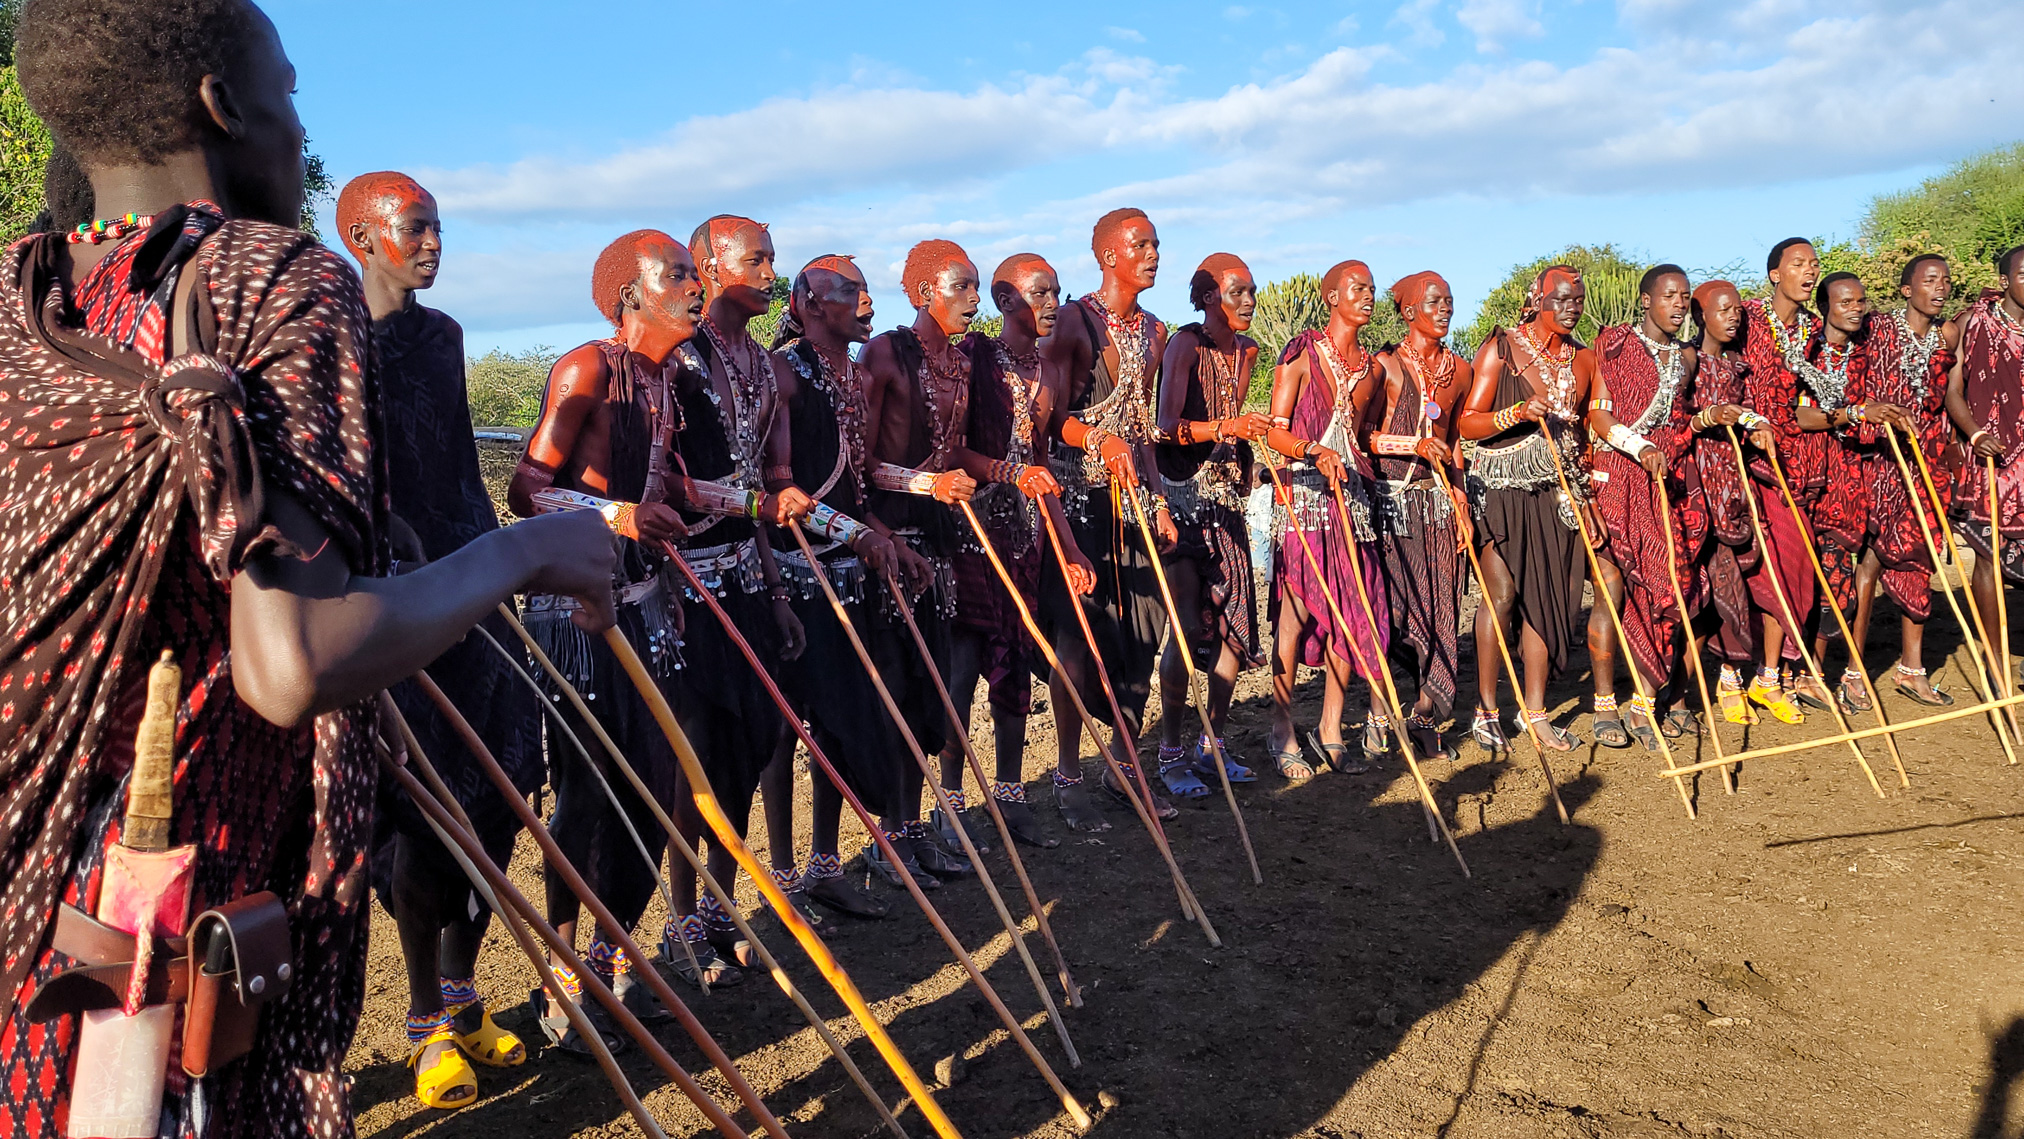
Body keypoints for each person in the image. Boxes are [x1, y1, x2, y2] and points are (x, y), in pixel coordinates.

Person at [2, 2, 614, 1133]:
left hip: (26, 896)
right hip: (179, 911)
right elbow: (292, 660)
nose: (296, 126)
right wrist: (529, 547)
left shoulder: (19, 295)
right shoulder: (264, 280)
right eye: (288, 92)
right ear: (223, 107)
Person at [339, 171, 538, 1106]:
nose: (431, 243)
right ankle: (422, 1024)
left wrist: (493, 557)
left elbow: (458, 457)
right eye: (413, 229)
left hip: (468, 584)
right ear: (362, 237)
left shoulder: (445, 336)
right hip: (389, 598)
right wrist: (384, 543)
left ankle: (465, 995)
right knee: (419, 808)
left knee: (502, 791)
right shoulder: (335, 337)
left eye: (436, 228)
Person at [508, 230, 732, 1033]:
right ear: (629, 295)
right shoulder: (587, 368)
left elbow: (665, 481)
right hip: (572, 612)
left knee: (652, 791)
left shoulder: (668, 381)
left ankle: (610, 960)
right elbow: (526, 487)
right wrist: (622, 514)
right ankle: (564, 984)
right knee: (589, 793)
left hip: (643, 604)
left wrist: (736, 500)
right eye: (678, 275)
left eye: (696, 274)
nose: (695, 286)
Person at [665, 214, 812, 959]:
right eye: (755, 260)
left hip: (750, 578)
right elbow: (661, 479)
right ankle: (685, 915)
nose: (768, 274)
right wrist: (748, 505)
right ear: (708, 266)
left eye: (772, 260)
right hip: (682, 580)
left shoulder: (766, 368)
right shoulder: (673, 359)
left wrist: (780, 591)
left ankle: (725, 903)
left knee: (749, 744)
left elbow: (768, 484)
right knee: (694, 748)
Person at [764, 254, 904, 918]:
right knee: (787, 726)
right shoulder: (785, 372)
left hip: (849, 569)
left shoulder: (855, 373)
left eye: (864, 287)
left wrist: (885, 533)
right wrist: (856, 533)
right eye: (849, 290)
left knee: (836, 724)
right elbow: (778, 485)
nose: (865, 298)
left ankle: (826, 861)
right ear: (810, 304)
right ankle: (786, 874)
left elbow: (863, 476)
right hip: (793, 566)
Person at [940, 253, 1095, 851]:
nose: (1052, 304)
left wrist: (1071, 547)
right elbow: (950, 448)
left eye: (1056, 292)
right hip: (969, 529)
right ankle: (950, 803)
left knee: (1013, 665)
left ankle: (1009, 792)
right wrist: (1004, 472)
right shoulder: (972, 359)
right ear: (1006, 303)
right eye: (1038, 294)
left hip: (1027, 533)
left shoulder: (1049, 374)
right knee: (960, 669)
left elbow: (1044, 464)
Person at [1040, 208, 1176, 830]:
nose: (1152, 254)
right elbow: (1052, 418)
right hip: (1078, 500)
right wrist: (1098, 438)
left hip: (1133, 501)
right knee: (1079, 639)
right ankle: (1068, 775)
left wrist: (1159, 498)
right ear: (1107, 255)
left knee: (1145, 632)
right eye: (1139, 244)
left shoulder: (1155, 329)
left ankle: (1123, 766)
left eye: (1156, 244)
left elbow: (1144, 429)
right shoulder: (1074, 321)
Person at [857, 238, 982, 885]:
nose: (973, 299)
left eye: (976, 288)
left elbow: (954, 453)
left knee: (931, 687)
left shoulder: (959, 364)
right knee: (895, 691)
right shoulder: (886, 353)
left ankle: (913, 830)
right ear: (921, 292)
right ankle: (886, 840)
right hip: (883, 537)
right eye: (960, 286)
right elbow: (859, 468)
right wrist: (924, 486)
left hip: (936, 540)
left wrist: (1010, 473)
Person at [1457, 265, 1596, 752]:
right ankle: (1486, 710)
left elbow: (1582, 432)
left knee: (1547, 596)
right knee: (1502, 595)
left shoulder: (1583, 359)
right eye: (1560, 298)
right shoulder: (1502, 349)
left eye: (1578, 298)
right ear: (1537, 299)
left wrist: (1585, 497)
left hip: (1554, 493)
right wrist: (1514, 413)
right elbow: (1468, 424)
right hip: (1498, 489)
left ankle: (1533, 713)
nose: (1571, 306)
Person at [1261, 259, 1392, 772]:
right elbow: (1273, 431)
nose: (1366, 296)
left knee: (1355, 612)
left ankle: (1330, 726)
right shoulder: (1301, 353)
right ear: (1331, 296)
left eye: (1371, 288)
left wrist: (1417, 444)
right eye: (1356, 288)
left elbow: (1366, 440)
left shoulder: (1373, 370)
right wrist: (1312, 451)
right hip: (1303, 501)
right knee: (1293, 616)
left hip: (1351, 502)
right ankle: (1280, 724)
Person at [1154, 254, 1271, 783]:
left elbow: (1237, 428)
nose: (1248, 302)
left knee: (1233, 628)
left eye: (1251, 292)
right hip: (1181, 500)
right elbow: (1165, 427)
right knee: (1182, 627)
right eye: (1237, 292)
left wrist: (1253, 442)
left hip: (1227, 502)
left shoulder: (1247, 351)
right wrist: (1229, 426)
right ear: (1207, 299)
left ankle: (1213, 742)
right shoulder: (1186, 344)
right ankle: (1170, 751)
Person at [1583, 265, 1699, 749]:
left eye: (1685, 297)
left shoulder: (1685, 359)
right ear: (1646, 300)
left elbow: (1684, 418)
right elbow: (1597, 410)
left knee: (1662, 586)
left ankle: (1644, 702)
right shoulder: (1613, 343)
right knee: (1612, 589)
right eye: (1669, 296)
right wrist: (1636, 444)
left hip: (1661, 483)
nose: (1678, 304)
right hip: (1615, 479)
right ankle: (1605, 703)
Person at [1800, 271, 1926, 708]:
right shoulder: (1807, 351)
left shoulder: (1869, 351)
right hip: (1819, 475)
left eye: (1860, 301)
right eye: (1845, 302)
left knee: (1858, 574)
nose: (1855, 309)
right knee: (1828, 576)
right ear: (1825, 306)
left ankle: (1853, 672)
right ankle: (1811, 673)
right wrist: (1855, 414)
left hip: (1865, 472)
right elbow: (1800, 416)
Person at [1367, 271, 1473, 765]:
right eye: (1434, 302)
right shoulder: (1384, 366)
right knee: (1393, 610)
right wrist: (1412, 444)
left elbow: (1453, 446)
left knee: (1443, 610)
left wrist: (1462, 503)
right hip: (1393, 504)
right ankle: (1378, 714)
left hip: (1438, 505)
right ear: (1409, 312)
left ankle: (1426, 714)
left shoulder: (1462, 371)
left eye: (1449, 301)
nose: (1445, 309)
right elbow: (1365, 436)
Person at [1733, 238, 1830, 722]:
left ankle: (1770, 677)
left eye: (1814, 265)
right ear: (1775, 274)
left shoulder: (1813, 330)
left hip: (1796, 464)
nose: (1809, 272)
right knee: (1757, 572)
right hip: (1743, 462)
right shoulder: (1744, 318)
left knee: (1794, 566)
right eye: (1798, 264)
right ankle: (1742, 675)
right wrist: (1748, 423)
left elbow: (1810, 403)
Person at [1684, 280, 1781, 724]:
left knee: (1739, 581)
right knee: (1710, 586)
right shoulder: (1687, 361)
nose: (1734, 317)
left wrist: (1756, 424)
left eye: (1738, 309)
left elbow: (1753, 409)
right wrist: (1707, 418)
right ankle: (1692, 685)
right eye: (1723, 310)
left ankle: (1731, 677)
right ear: (1700, 313)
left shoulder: (1741, 366)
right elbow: (1673, 416)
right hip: (1696, 483)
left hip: (1735, 484)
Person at [1947, 244, 2024, 663]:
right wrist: (1976, 435)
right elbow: (1951, 389)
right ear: (2004, 281)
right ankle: (1995, 656)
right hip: (1992, 458)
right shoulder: (1972, 324)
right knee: (1988, 555)